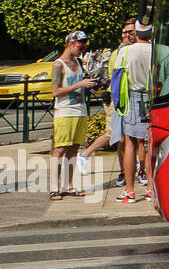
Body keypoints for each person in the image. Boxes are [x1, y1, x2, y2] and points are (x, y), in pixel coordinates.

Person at [75, 20, 135, 186]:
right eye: (127, 32)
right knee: (113, 134)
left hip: (122, 97)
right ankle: (85, 155)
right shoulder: (119, 52)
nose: (129, 35)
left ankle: (128, 169)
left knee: (124, 136)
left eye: (132, 32)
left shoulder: (127, 50)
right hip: (115, 98)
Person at [50, 30, 98, 199]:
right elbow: (55, 92)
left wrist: (92, 83)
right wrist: (80, 84)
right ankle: (54, 187)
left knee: (74, 148)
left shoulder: (79, 61)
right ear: (70, 44)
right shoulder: (58, 65)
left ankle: (69, 185)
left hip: (80, 110)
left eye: (84, 43)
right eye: (80, 44)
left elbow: (82, 83)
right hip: (65, 112)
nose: (82, 47)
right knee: (60, 148)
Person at [117, 22, 155, 203]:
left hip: (132, 96)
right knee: (150, 144)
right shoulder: (158, 51)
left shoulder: (125, 51)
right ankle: (150, 189)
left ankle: (130, 191)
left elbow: (117, 75)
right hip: (154, 97)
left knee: (130, 143)